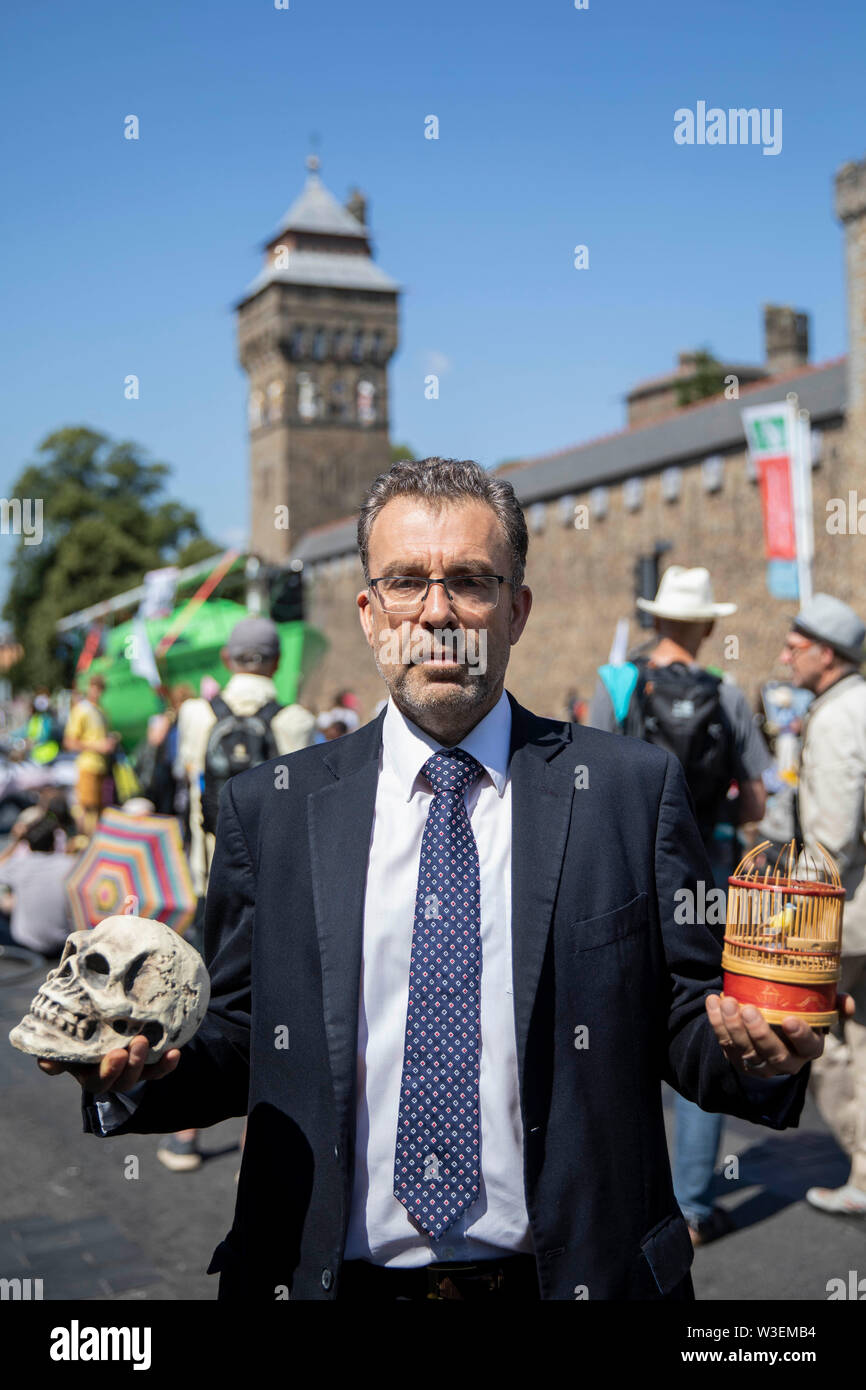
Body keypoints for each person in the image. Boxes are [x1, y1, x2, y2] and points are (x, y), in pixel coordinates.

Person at [43, 457, 841, 1302]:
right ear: (368, 613)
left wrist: (758, 1051)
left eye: (469, 581)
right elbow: (241, 1036)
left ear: (517, 609)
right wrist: (135, 1070)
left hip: (571, 1279)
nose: (436, 612)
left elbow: (682, 1019)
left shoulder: (626, 792)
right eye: (404, 583)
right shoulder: (270, 811)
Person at [587, 566, 772, 1246]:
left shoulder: (615, 685)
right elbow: (755, 800)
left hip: (630, 873)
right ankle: (692, 1205)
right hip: (710, 878)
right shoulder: (725, 692)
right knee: (706, 1018)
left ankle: (621, 1195)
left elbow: (595, 787)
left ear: (654, 620)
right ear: (709, 628)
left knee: (615, 1022)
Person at [155, 618, 315, 1174]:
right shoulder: (296, 719)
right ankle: (258, 1136)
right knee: (273, 1007)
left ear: (228, 657)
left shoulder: (198, 715)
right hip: (281, 886)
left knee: (199, 994)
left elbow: (183, 781)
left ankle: (184, 1135)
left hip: (210, 882)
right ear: (274, 662)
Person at [778, 593, 866, 1216]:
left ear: (826, 654)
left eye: (796, 645)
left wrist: (795, 916)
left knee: (831, 1040)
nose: (786, 655)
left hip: (849, 915)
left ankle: (864, 1172)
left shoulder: (836, 717)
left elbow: (831, 839)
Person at [0, 811, 77, 957]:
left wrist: (15, 840)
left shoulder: (18, 865)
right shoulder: (70, 864)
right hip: (62, 943)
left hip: (25, 944)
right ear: (53, 843)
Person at [63, 676, 117, 834]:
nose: (97, 692)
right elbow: (70, 742)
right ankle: (86, 844)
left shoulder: (101, 711)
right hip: (87, 765)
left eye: (100, 688)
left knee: (99, 809)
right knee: (87, 808)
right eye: (94, 687)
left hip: (102, 766)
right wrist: (98, 746)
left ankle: (93, 844)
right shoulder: (81, 709)